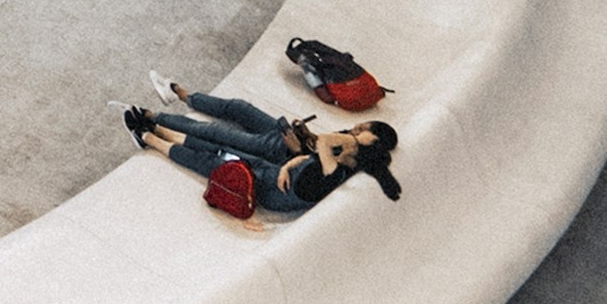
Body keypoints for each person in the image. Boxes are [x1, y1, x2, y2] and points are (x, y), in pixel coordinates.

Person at [123, 85, 403, 213]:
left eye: (360, 132)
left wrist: (330, 144)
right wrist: (290, 163)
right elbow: (314, 153)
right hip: (282, 168)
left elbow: (324, 147)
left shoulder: (339, 166)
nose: (353, 131)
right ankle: (162, 119)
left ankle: (151, 128)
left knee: (215, 148)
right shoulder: (342, 154)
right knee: (235, 116)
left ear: (370, 144)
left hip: (273, 186)